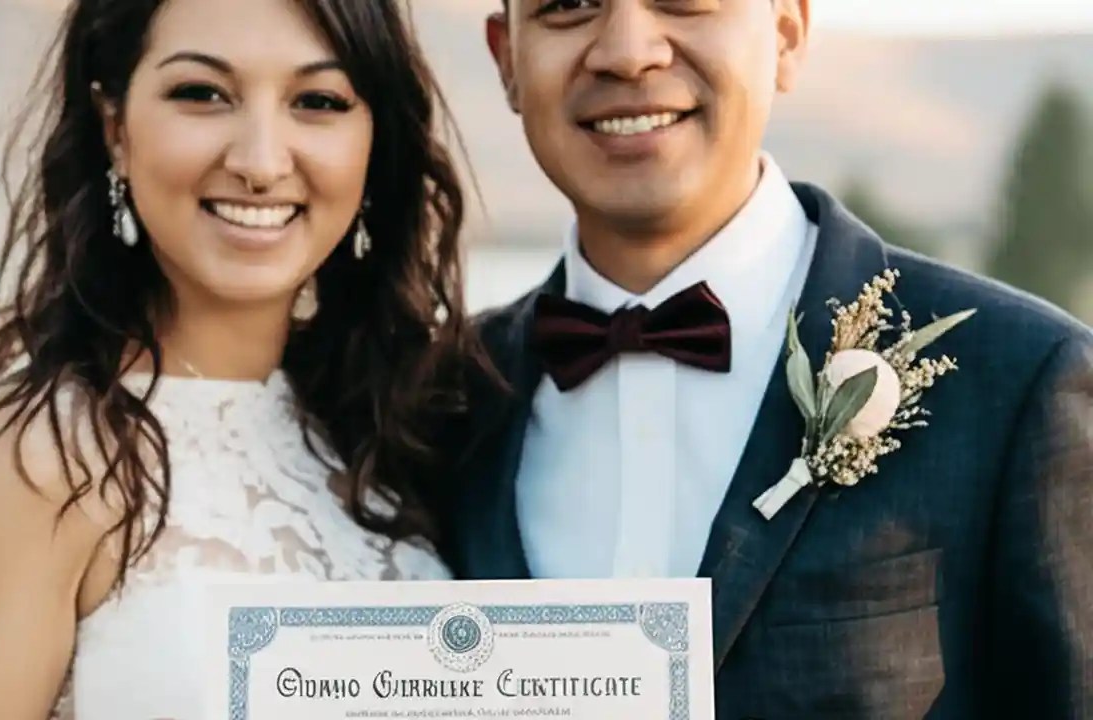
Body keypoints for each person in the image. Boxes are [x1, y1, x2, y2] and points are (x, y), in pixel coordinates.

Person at [440, 1, 1093, 718]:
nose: (627, 51)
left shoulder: (1025, 381)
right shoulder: (429, 402)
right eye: (568, 5)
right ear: (506, 59)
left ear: (787, 30)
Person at [0, 0, 487, 717]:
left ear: (373, 144)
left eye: (317, 101)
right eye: (202, 94)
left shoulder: (377, 431)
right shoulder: (44, 463)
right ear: (115, 129)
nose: (260, 161)